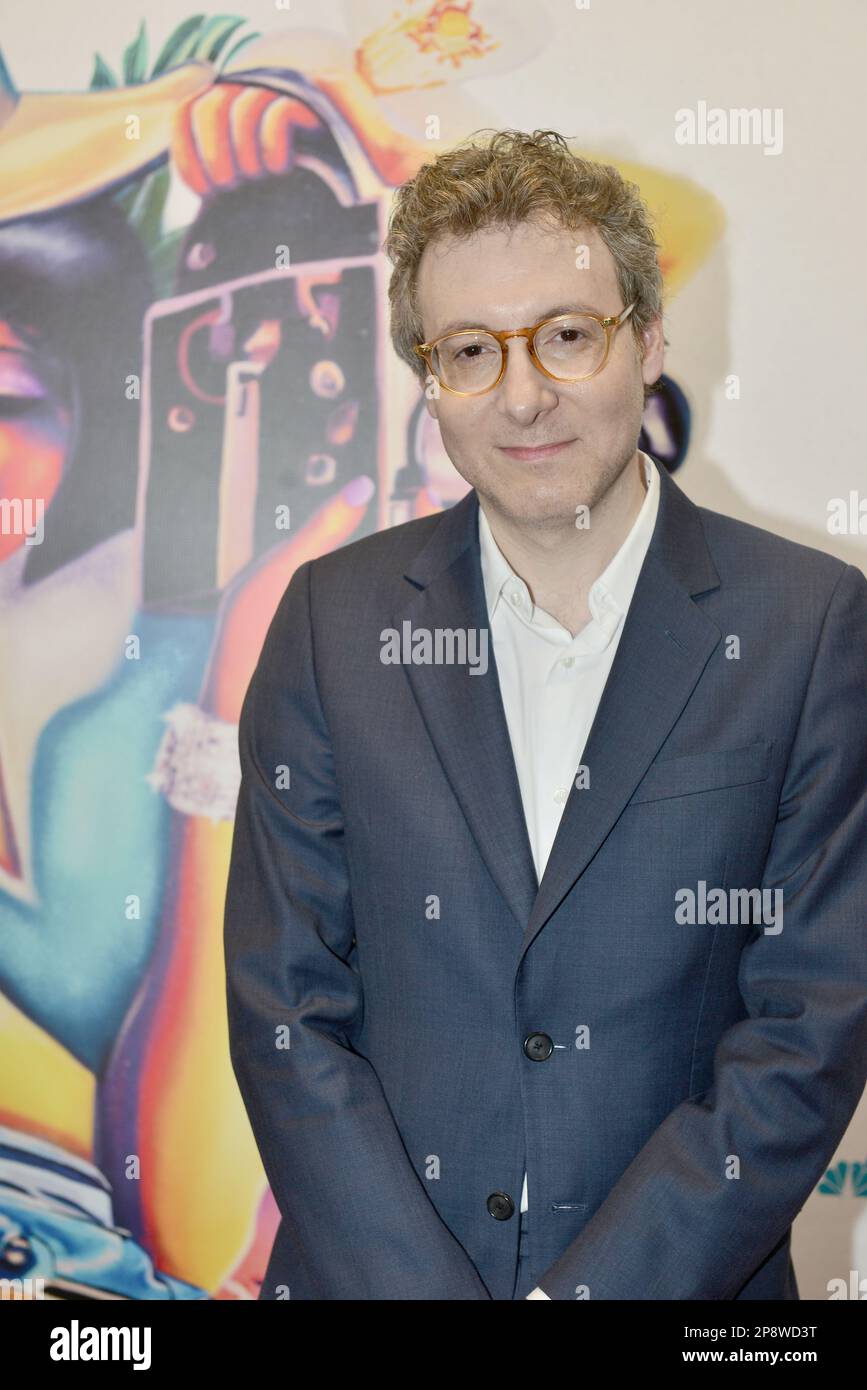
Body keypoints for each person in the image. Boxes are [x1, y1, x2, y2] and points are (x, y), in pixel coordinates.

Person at [223, 129, 867, 1300]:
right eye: (470, 350)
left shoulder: (810, 626)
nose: (522, 395)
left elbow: (808, 1029)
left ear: (650, 339)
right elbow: (284, 1007)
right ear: (429, 377)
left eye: (568, 335)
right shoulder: (331, 619)